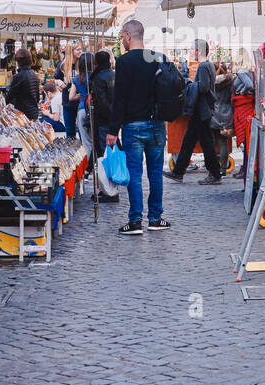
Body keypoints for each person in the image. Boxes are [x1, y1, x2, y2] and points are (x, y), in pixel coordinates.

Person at [105, 19, 170, 235]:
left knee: (134, 173)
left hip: (133, 125)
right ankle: (155, 218)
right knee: (155, 173)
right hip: (157, 125)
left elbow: (120, 99)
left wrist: (113, 130)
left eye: (122, 37)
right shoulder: (157, 58)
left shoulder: (124, 62)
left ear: (128, 36)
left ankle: (135, 222)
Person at [166, 38, 221, 185]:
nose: (190, 52)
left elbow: (203, 88)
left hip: (201, 109)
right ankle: (179, 171)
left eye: (191, 49)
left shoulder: (203, 66)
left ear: (198, 51)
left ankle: (214, 173)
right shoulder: (209, 65)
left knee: (206, 143)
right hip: (202, 109)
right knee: (190, 141)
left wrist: (190, 83)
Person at [210, 60, 235, 176]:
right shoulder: (231, 81)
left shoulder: (211, 82)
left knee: (212, 142)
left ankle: (213, 168)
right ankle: (223, 169)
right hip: (227, 112)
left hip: (214, 112)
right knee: (223, 141)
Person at [88, 49, 115, 158]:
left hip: (103, 119)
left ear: (96, 63)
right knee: (112, 147)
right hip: (115, 117)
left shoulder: (98, 78)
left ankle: (109, 173)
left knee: (105, 150)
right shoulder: (114, 75)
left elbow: (102, 101)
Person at [4, 48, 41, 120]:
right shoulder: (34, 75)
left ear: (18, 62)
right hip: (33, 113)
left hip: (23, 115)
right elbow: (37, 98)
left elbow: (9, 97)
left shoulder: (19, 76)